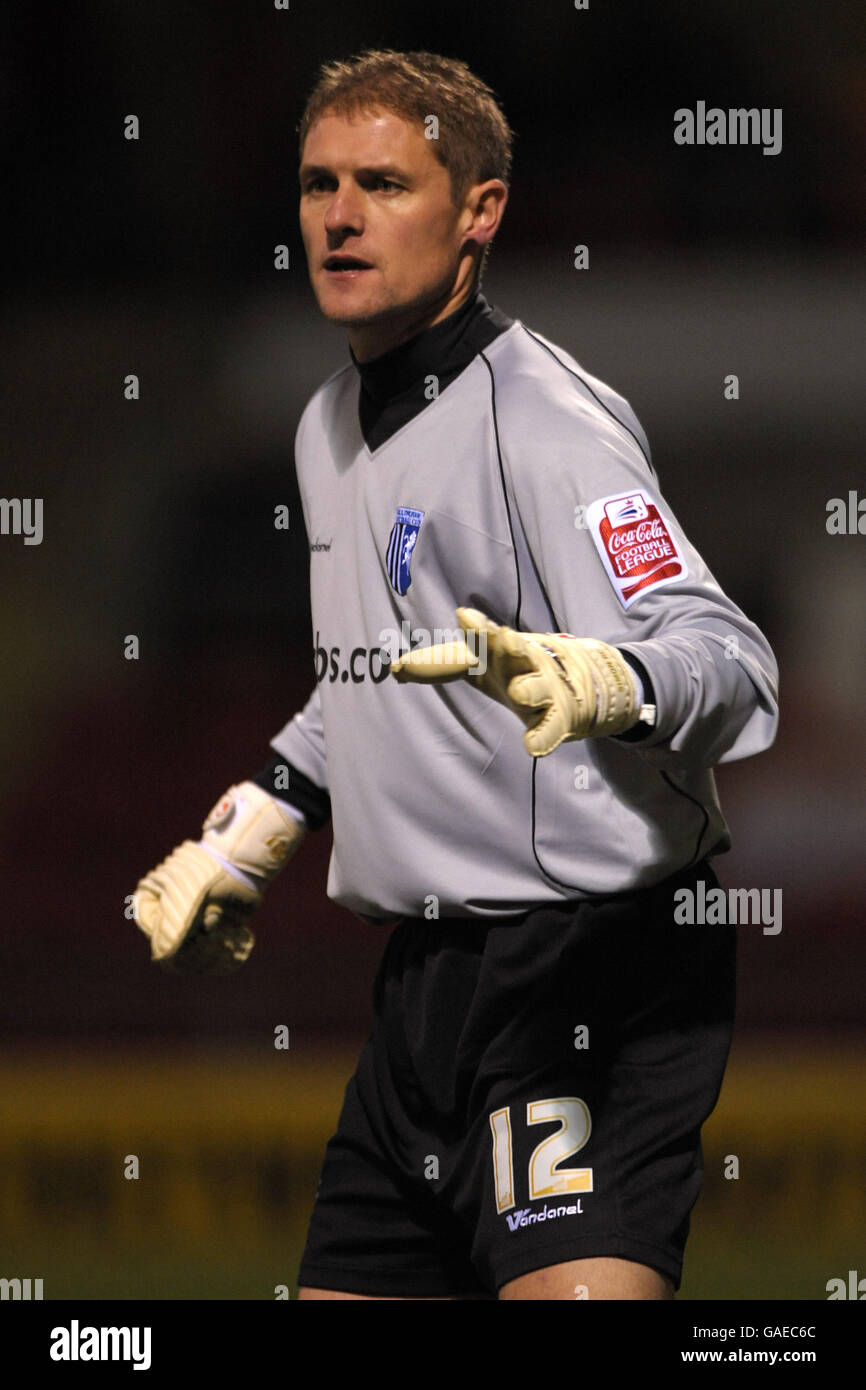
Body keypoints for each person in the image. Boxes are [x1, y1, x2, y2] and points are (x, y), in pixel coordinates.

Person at [132, 48, 779, 1301]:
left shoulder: (542, 424)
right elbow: (367, 675)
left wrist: (604, 682)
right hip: (425, 986)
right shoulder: (326, 425)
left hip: (589, 966)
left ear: (478, 211)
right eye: (319, 182)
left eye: (383, 182)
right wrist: (246, 838)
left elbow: (729, 662)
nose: (339, 214)